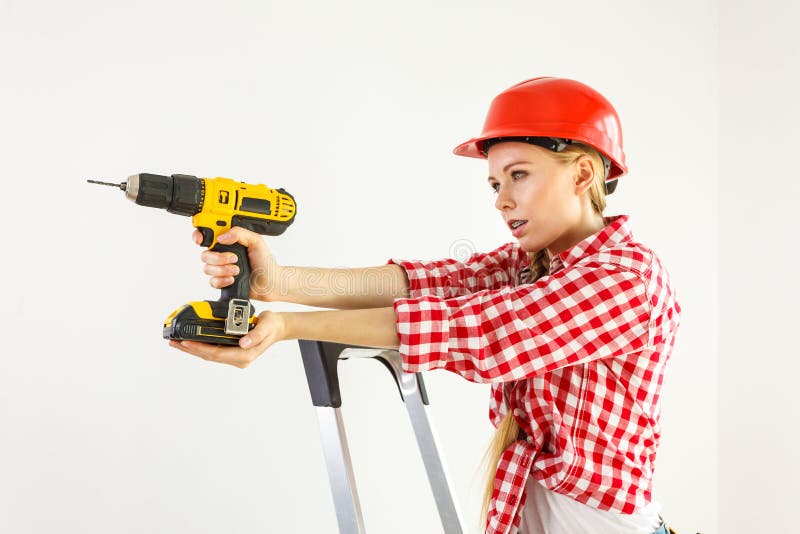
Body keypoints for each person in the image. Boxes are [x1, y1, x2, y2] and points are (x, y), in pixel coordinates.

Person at [169, 76, 682, 534]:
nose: (501, 199)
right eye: (495, 183)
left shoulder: (627, 280)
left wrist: (286, 326)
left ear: (583, 173)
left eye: (519, 175)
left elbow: (483, 331)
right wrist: (278, 281)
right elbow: (425, 285)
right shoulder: (529, 266)